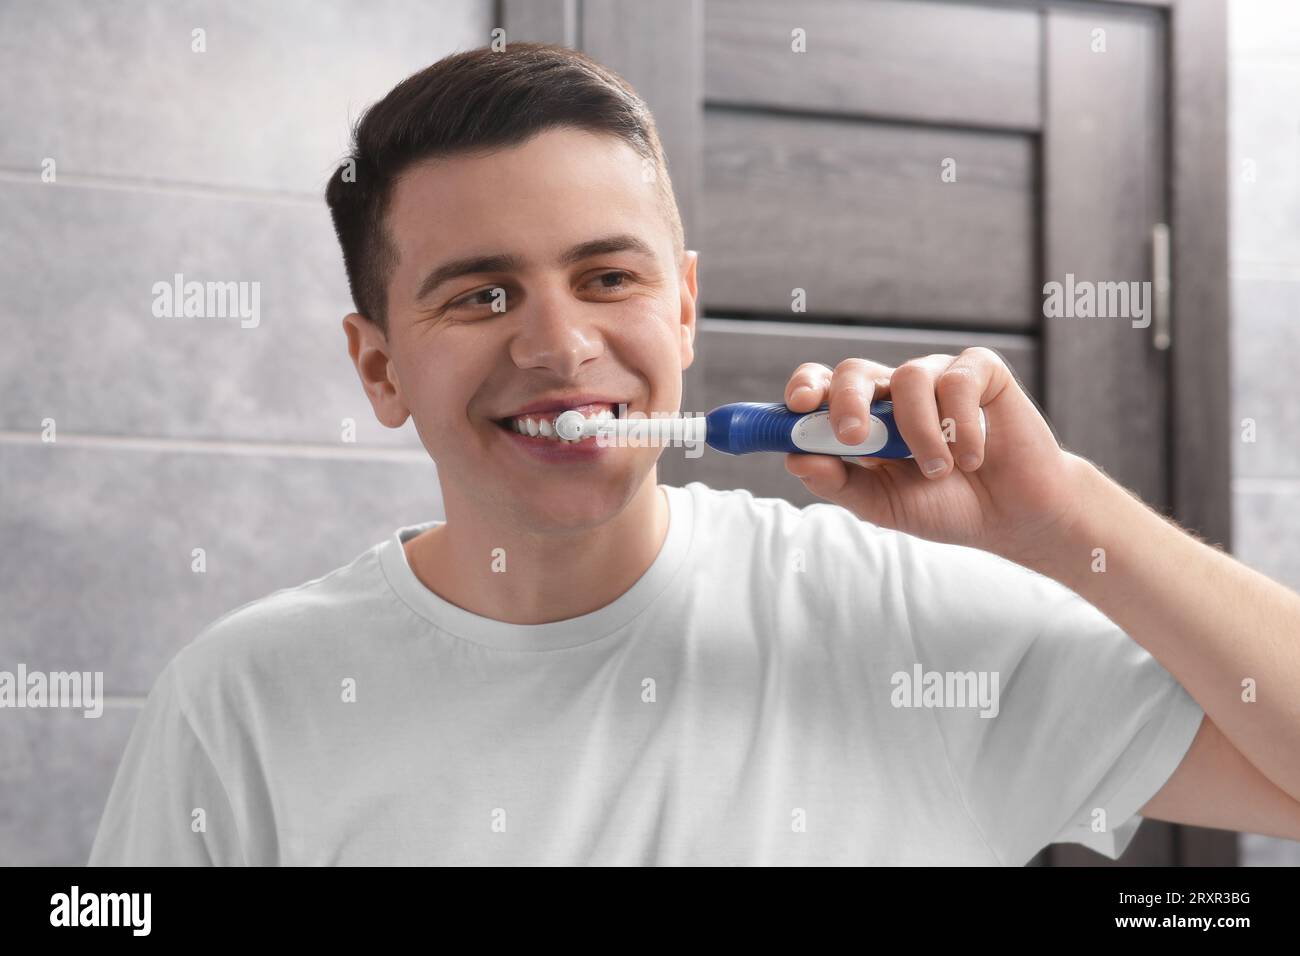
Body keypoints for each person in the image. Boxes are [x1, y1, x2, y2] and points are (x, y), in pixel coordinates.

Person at [88, 42, 1300, 866]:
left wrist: (1066, 520)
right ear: (380, 368)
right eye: (481, 295)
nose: (560, 346)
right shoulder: (241, 703)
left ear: (682, 311)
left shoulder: (914, 620)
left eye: (608, 277)